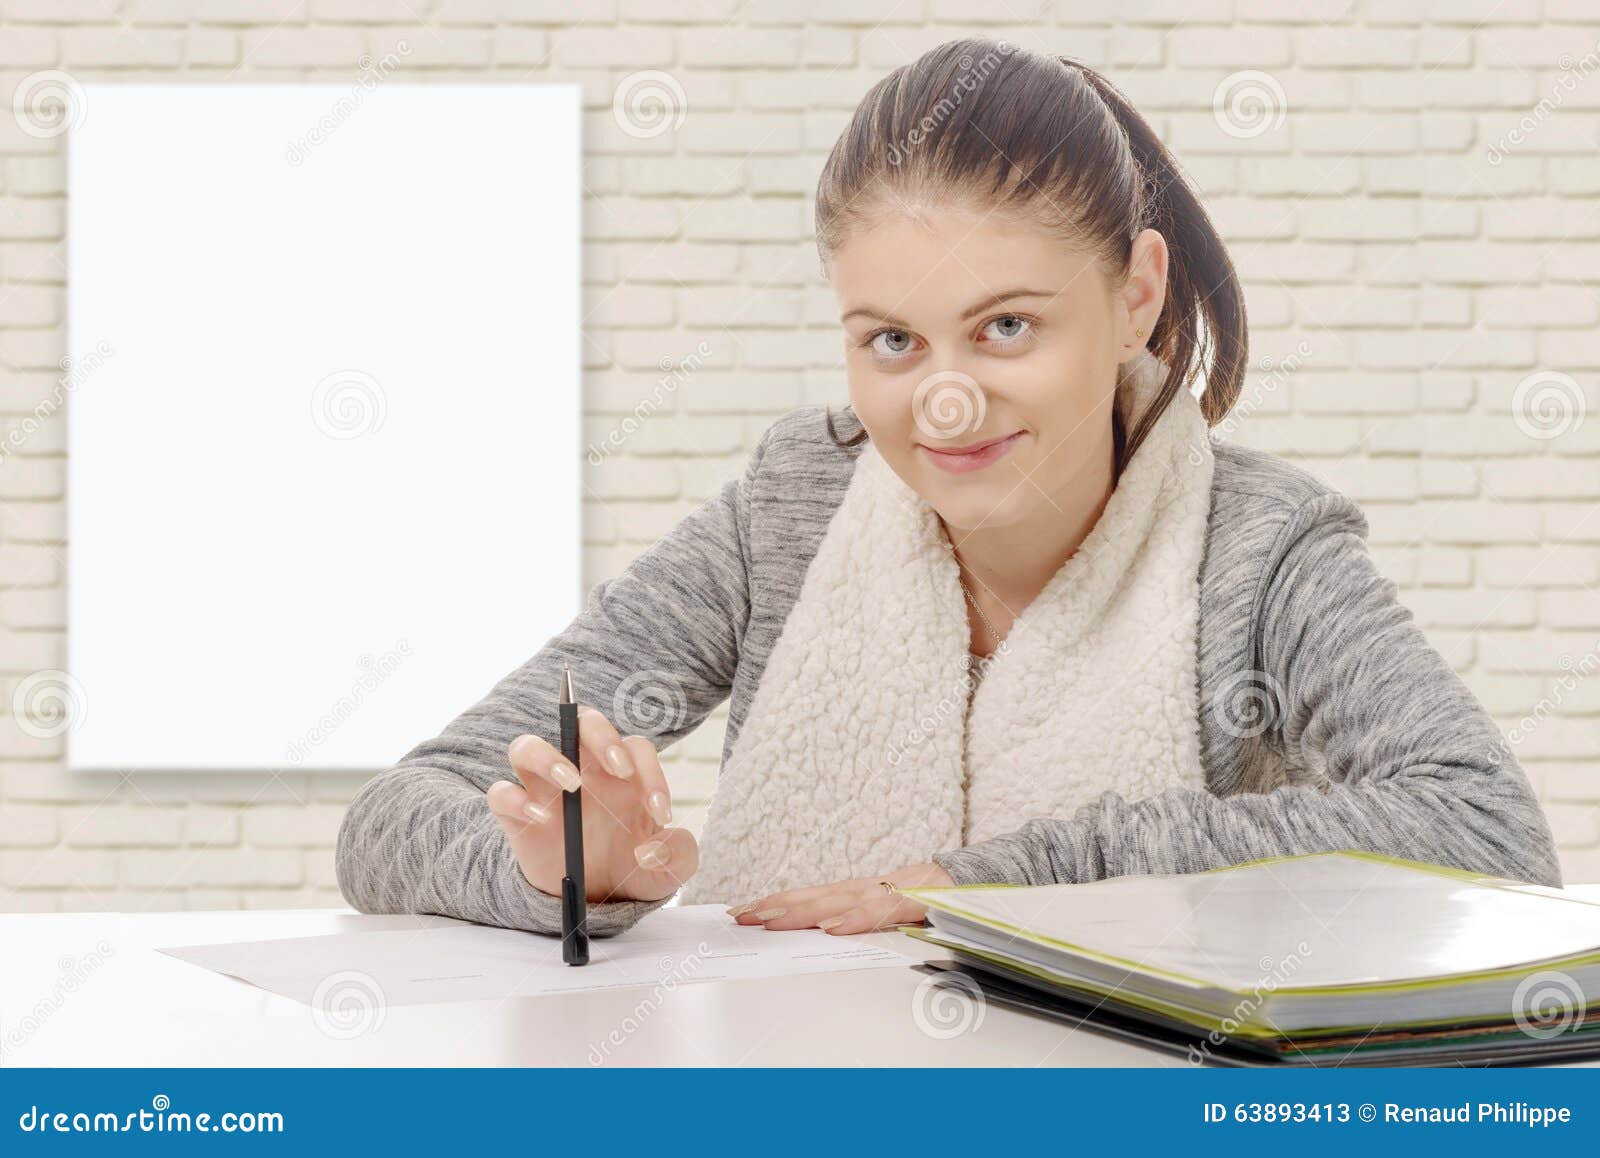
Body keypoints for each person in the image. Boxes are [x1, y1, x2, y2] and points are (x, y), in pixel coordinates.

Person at [335, 38, 1561, 941]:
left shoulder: (1261, 550)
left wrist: (992, 881)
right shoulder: (789, 513)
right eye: (891, 342)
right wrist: (573, 876)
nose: (945, 403)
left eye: (1008, 326)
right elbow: (399, 813)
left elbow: (1485, 836)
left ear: (1135, 295)